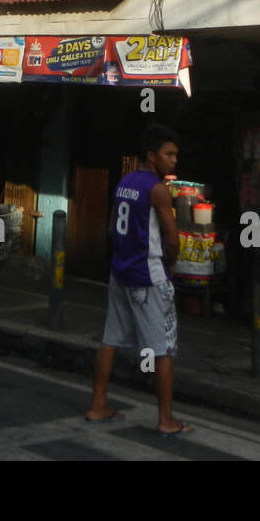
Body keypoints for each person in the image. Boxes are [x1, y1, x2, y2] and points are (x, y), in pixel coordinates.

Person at [86, 123, 190, 436]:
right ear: (151, 155)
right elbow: (172, 238)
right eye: (168, 154)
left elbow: (109, 229)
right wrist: (170, 266)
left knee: (110, 339)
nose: (173, 160)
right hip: (148, 274)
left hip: (120, 271)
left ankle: (98, 405)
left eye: (175, 154)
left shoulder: (125, 182)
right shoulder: (158, 190)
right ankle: (166, 419)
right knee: (162, 348)